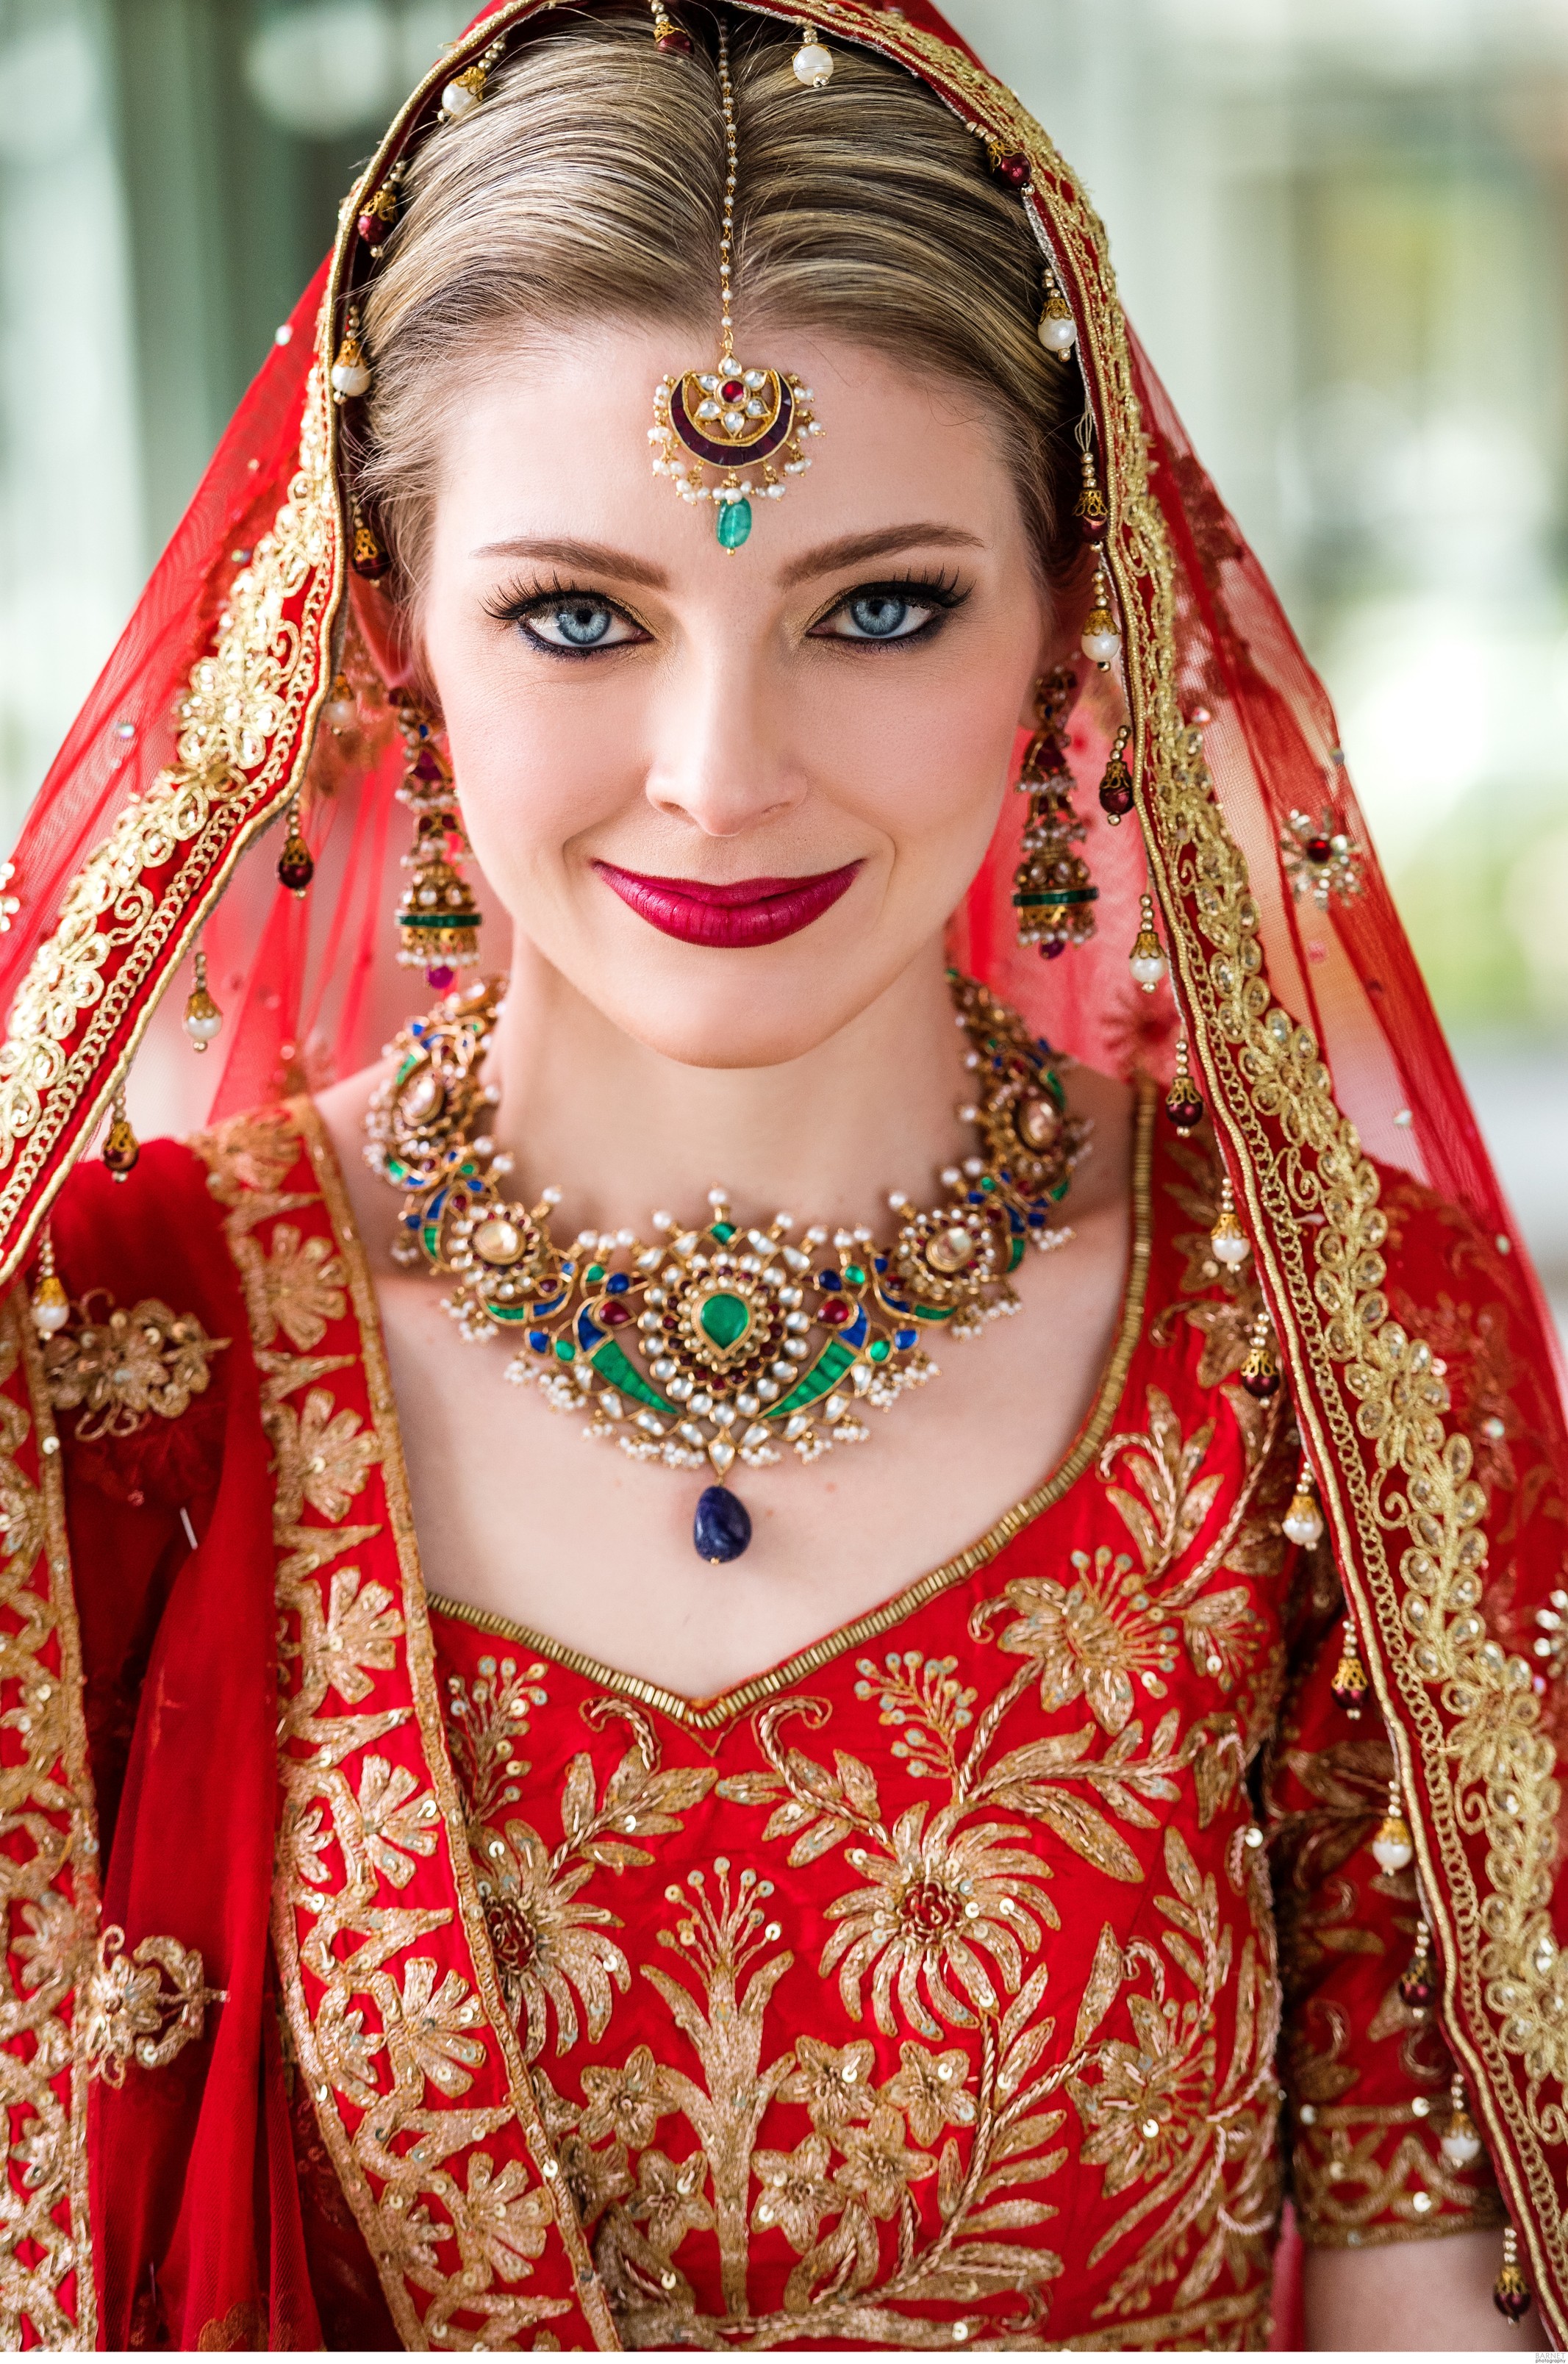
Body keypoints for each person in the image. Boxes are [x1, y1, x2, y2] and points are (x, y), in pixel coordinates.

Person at [0, 0, 1561, 2347]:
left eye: (883, 606)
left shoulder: (1327, 1366)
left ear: (1072, 628)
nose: (722, 776)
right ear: (388, 641)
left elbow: (1429, 2307)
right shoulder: (114, 1370)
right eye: (578, 615)